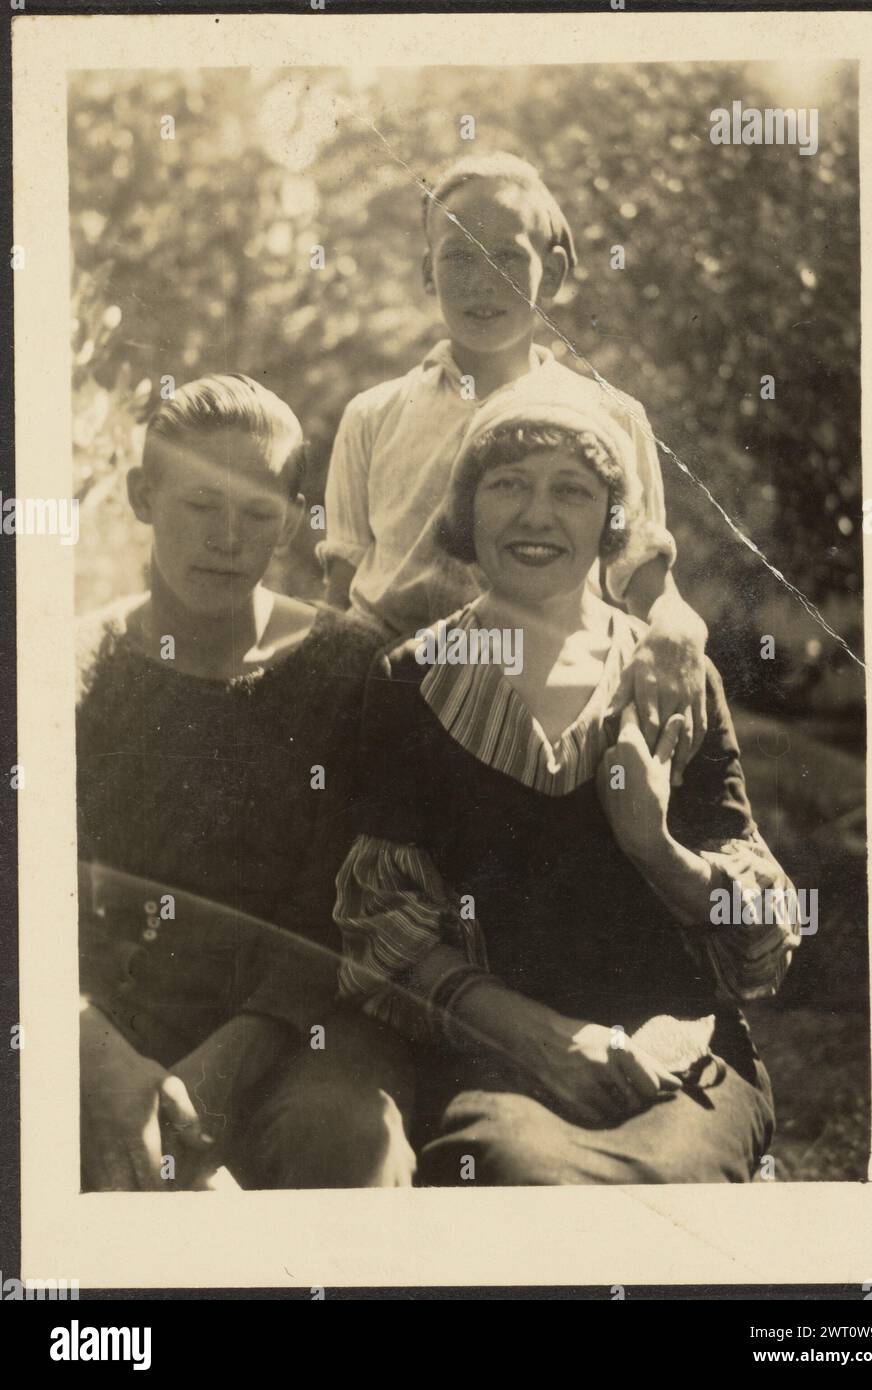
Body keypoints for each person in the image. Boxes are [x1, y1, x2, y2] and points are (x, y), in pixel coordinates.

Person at [333, 385, 801, 1185]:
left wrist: (655, 849)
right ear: (465, 513)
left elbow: (763, 943)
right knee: (513, 1172)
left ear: (611, 522)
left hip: (677, 1054)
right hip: (495, 1058)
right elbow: (381, 930)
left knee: (667, 1195)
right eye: (508, 483)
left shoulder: (673, 683)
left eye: (571, 490)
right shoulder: (409, 681)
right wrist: (542, 1038)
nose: (536, 514)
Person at [77, 373, 415, 1191]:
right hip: (105, 1024)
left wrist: (213, 1077)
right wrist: (103, 1062)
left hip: (303, 1026)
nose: (227, 537)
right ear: (141, 497)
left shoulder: (349, 668)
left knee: (343, 1144)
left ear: (292, 523)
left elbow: (338, 910)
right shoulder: (74, 669)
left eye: (258, 513)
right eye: (200, 504)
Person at [318, 150, 709, 783]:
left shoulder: (610, 417)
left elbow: (650, 588)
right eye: (459, 257)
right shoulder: (373, 415)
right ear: (427, 272)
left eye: (506, 256)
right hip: (399, 703)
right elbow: (340, 599)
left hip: (549, 702)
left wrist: (678, 633)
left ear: (550, 274)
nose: (481, 283)